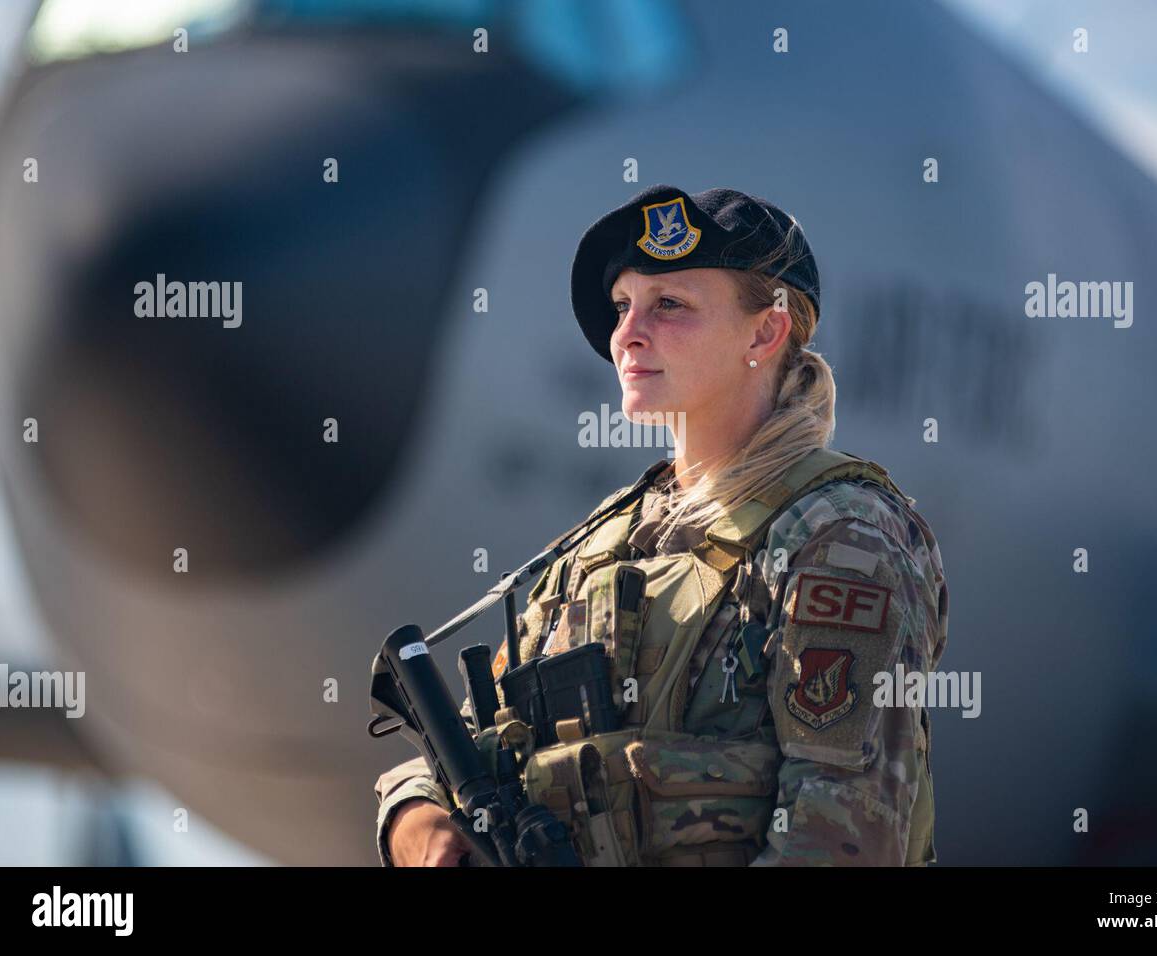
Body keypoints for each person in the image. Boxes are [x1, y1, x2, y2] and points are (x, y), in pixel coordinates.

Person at [374, 184, 949, 866]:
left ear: (766, 331)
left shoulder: (842, 536)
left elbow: (846, 837)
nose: (627, 333)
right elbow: (473, 745)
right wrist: (415, 818)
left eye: (669, 305)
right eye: (623, 307)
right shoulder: (600, 545)